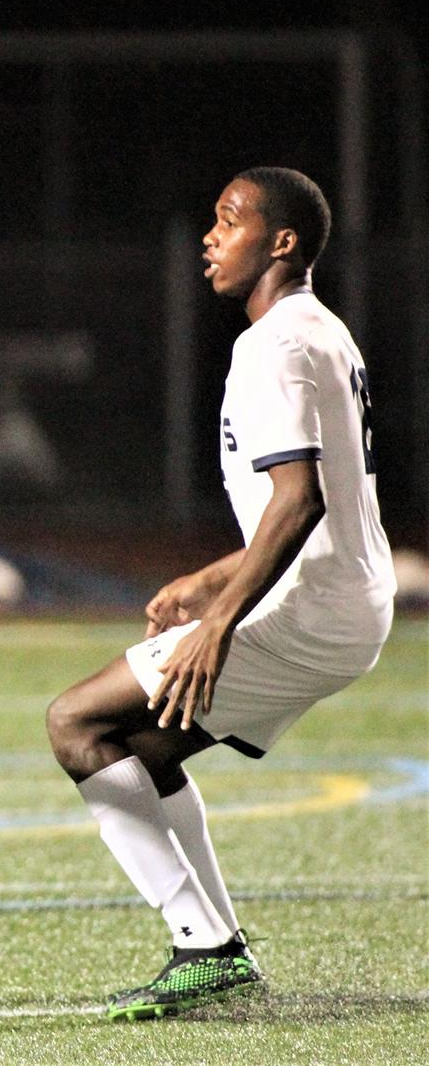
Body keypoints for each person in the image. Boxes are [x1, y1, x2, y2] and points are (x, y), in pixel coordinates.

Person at [45, 167, 395, 1021]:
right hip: (342, 601)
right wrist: (209, 582)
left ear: (282, 243)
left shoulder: (274, 342)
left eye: (229, 219)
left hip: (307, 610)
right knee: (144, 753)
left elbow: (301, 499)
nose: (210, 234)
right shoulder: (321, 332)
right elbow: (326, 499)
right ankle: (216, 950)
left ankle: (204, 948)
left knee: (76, 724)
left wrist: (219, 621)